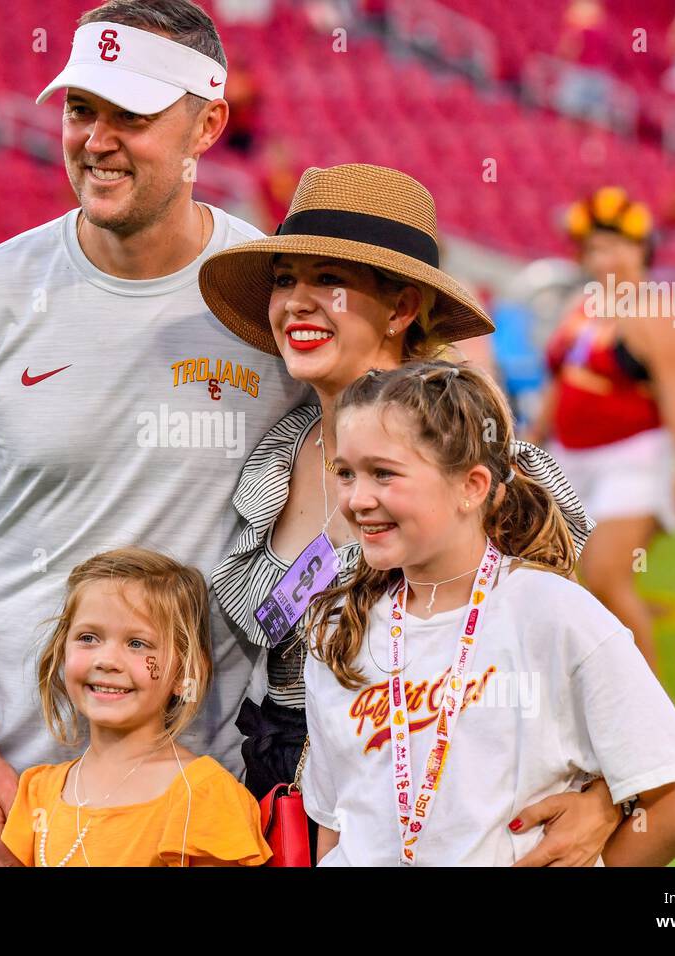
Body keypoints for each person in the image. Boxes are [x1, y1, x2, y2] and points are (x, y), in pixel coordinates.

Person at [0, 0, 308, 867]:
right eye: (82, 109)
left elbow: (416, 440)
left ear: (209, 124)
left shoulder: (273, 301)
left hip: (197, 812)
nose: (97, 139)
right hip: (3, 799)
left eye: (133, 115)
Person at [200, 163, 618, 864]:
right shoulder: (277, 454)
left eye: (328, 279)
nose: (297, 303)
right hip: (287, 800)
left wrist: (608, 798)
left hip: (437, 786)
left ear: (400, 310)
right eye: (284, 279)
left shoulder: (471, 460)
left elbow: (580, 647)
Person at [303, 361, 675, 866]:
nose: (357, 499)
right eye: (345, 473)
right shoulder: (336, 627)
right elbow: (334, 824)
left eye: (383, 473)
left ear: (472, 487)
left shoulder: (555, 615)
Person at [0, 549, 271, 866]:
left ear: (184, 673)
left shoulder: (204, 797)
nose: (107, 661)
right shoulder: (37, 793)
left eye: (137, 643)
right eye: (88, 637)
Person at [530, 187, 675, 676]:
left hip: (634, 459)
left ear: (640, 249)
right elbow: (558, 384)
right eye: (593, 249)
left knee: (606, 575)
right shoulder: (579, 307)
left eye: (612, 246)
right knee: (563, 581)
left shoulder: (656, 310)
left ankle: (652, 715)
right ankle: (594, 696)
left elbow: (673, 393)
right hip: (568, 461)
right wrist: (530, 442)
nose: (601, 258)